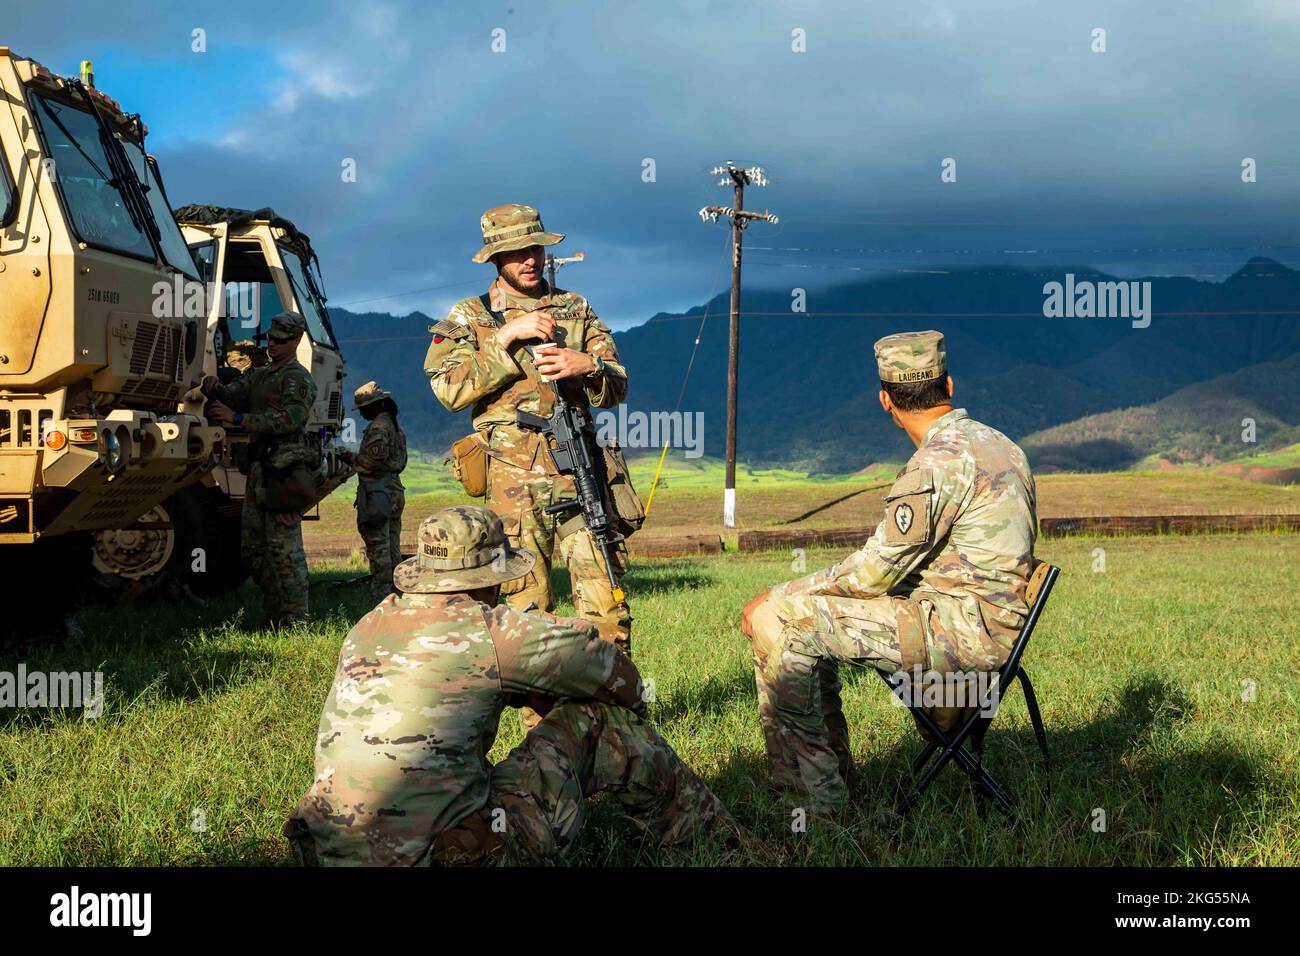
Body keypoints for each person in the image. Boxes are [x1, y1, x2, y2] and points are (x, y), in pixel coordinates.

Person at [283, 506, 740, 866]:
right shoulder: (495, 632)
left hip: (327, 849)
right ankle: (723, 850)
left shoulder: (370, 623)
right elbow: (621, 680)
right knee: (603, 721)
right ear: (489, 579)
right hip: (443, 856)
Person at [740, 330, 1038, 815]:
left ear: (885, 400)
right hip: (987, 630)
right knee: (803, 620)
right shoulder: (1000, 445)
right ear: (950, 385)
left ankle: (816, 805)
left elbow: (873, 574)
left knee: (780, 620)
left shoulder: (936, 465)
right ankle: (830, 785)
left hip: (960, 645)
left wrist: (776, 593)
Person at [423, 204, 632, 661]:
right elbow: (448, 389)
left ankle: (613, 715)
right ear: (495, 259)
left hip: (581, 471)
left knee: (607, 604)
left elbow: (618, 382)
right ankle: (542, 727)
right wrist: (504, 339)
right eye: (516, 252)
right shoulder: (469, 317)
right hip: (513, 483)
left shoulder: (574, 308)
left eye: (534, 248)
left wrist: (589, 366)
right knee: (524, 610)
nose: (530, 259)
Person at [201, 311, 317, 628]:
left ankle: (295, 620)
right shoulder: (261, 374)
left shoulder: (298, 379)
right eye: (269, 337)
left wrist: (239, 420)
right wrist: (215, 387)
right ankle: (275, 611)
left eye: (280, 339)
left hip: (284, 471)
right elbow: (234, 393)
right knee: (253, 549)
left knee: (285, 551)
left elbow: (290, 420)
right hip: (259, 469)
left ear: (295, 341)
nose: (272, 344)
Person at [339, 381, 407, 599]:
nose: (361, 415)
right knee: (393, 545)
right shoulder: (395, 427)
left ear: (374, 406)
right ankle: (399, 592)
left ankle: (382, 597)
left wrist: (349, 457)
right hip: (394, 491)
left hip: (378, 494)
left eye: (363, 410)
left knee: (379, 549)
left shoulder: (378, 428)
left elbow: (372, 462)